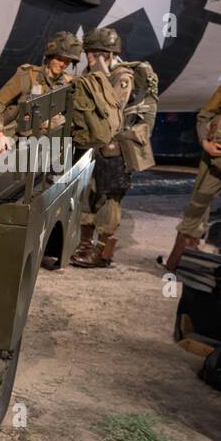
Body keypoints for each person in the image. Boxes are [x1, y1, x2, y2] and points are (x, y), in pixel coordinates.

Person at [70, 27, 157, 268]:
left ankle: (102, 251)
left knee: (109, 200)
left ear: (104, 54)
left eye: (92, 53)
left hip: (114, 149)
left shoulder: (122, 77)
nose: (88, 58)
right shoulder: (92, 73)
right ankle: (85, 245)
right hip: (94, 146)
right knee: (88, 196)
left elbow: (112, 110)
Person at [0, 31, 82, 155]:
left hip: (45, 144)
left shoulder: (67, 84)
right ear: (50, 56)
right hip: (15, 136)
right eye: (59, 59)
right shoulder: (26, 76)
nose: (63, 64)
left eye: (67, 61)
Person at [159, 83, 221, 270]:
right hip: (214, 161)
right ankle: (180, 264)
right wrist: (205, 143)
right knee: (196, 210)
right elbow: (204, 114)